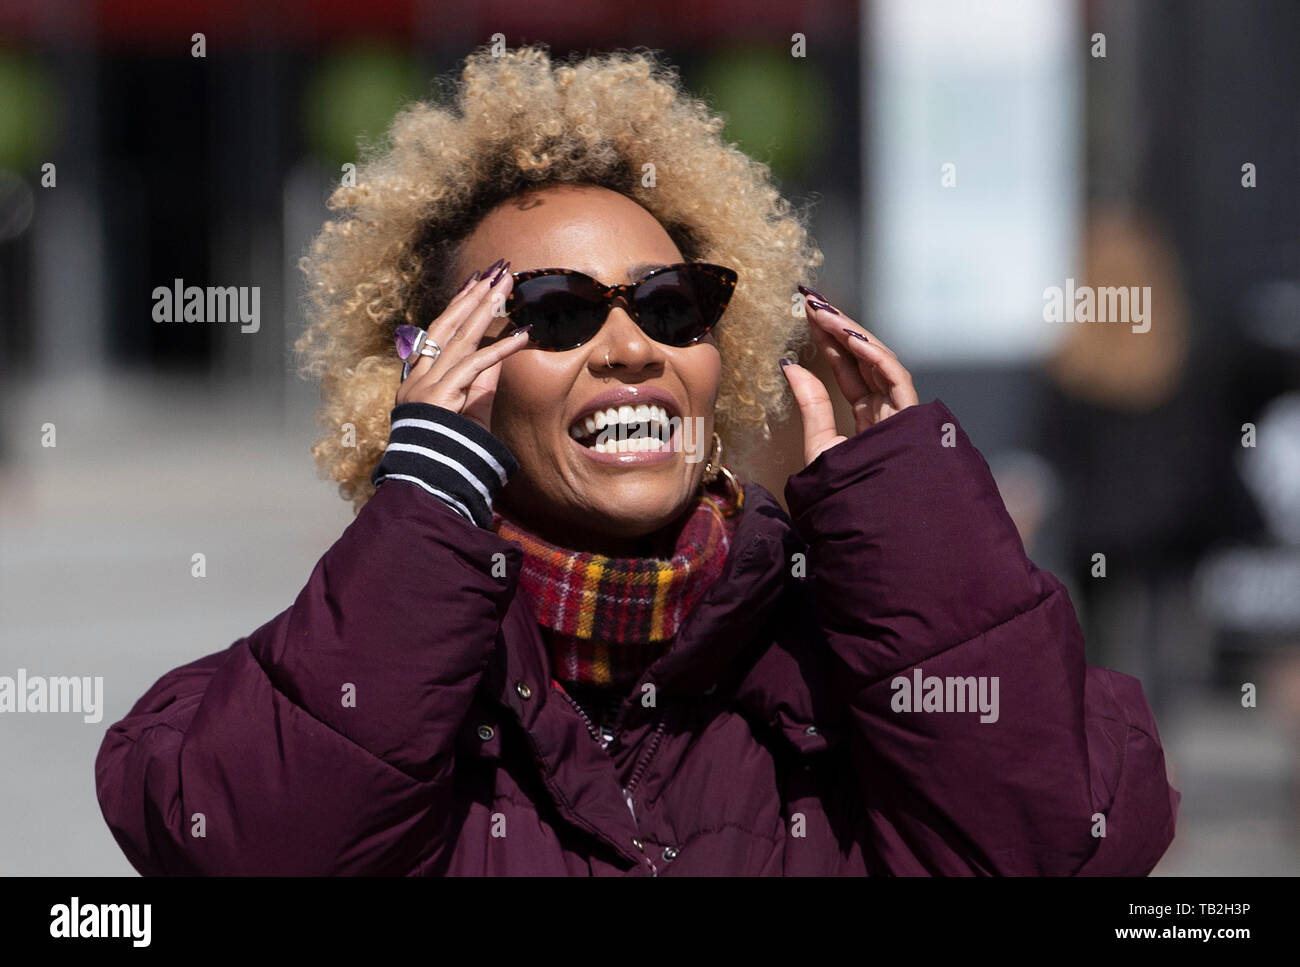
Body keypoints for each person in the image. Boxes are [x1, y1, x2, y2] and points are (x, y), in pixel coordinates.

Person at [95, 46, 1178, 876]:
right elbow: (253, 843)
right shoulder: (332, 675)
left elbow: (1069, 839)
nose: (630, 348)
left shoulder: (847, 659)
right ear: (438, 370)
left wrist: (918, 536)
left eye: (672, 305)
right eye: (554, 313)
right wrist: (422, 508)